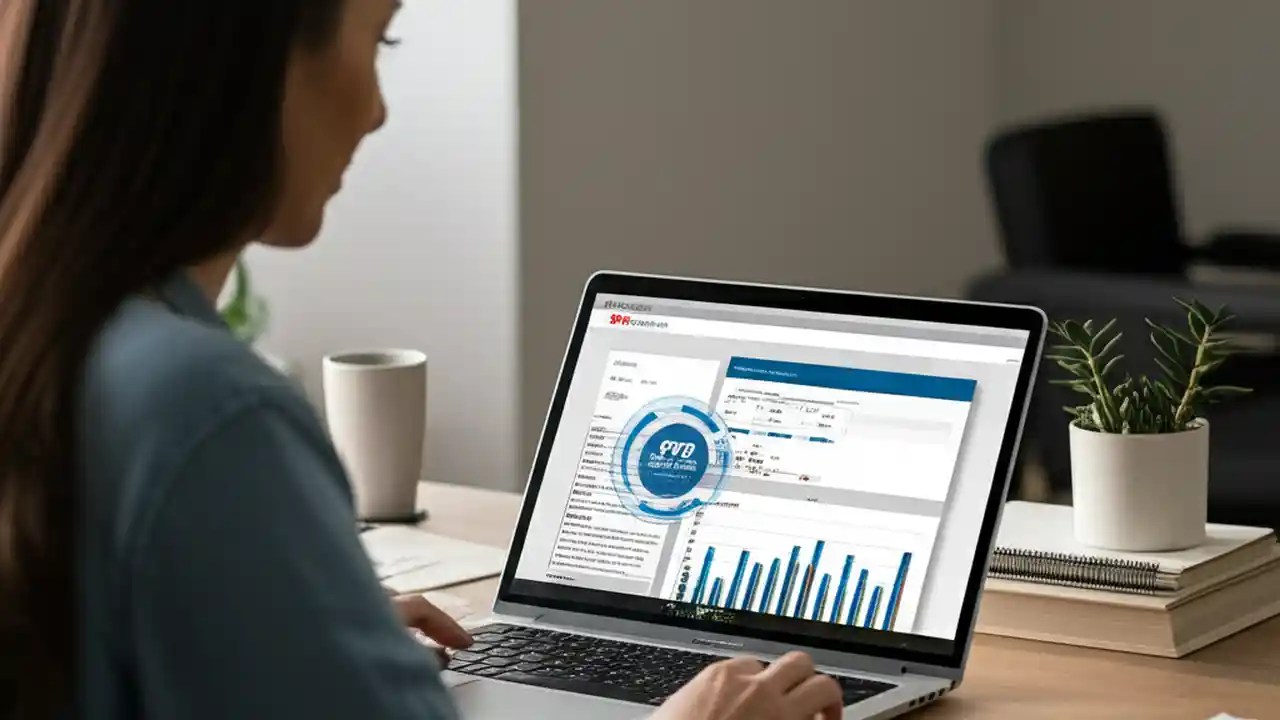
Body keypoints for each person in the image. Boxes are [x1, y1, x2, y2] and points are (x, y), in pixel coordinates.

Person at [0, 1, 844, 718]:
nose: (376, 111)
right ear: (249, 60)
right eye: (381, 41)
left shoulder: (52, 341)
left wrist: (305, 624)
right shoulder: (203, 408)